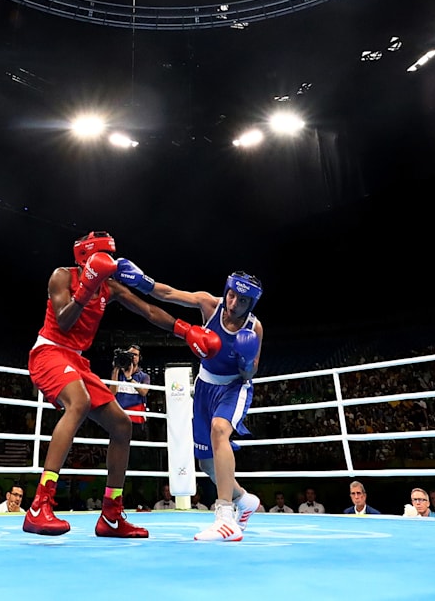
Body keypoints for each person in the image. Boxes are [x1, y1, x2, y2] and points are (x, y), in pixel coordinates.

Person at [23, 232, 221, 538]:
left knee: (121, 425)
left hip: (77, 360)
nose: (110, 262)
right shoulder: (62, 277)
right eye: (104, 257)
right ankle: (40, 505)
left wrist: (185, 330)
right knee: (79, 402)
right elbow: (63, 321)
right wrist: (87, 287)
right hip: (49, 351)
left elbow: (148, 310)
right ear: (86, 259)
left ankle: (111, 516)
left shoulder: (111, 287)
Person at [117, 264, 265, 541]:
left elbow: (249, 373)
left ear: (251, 303)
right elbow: (168, 293)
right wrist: (140, 281)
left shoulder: (253, 327)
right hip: (204, 386)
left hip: (233, 387)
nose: (234, 304)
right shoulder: (210, 305)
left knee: (220, 429)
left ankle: (225, 516)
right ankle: (243, 500)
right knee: (207, 464)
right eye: (232, 295)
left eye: (243, 300)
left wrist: (245, 359)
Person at [109, 344, 151, 441]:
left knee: (137, 447)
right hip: (120, 417)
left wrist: (129, 378)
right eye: (130, 354)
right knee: (118, 446)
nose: (132, 357)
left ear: (139, 358)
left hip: (136, 419)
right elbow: (112, 393)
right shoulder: (118, 375)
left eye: (135, 355)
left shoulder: (144, 376)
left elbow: (144, 392)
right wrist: (116, 369)